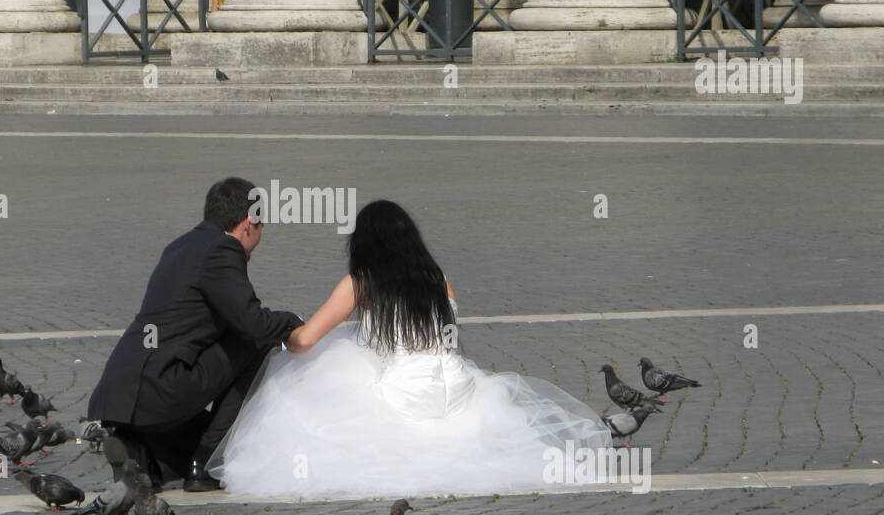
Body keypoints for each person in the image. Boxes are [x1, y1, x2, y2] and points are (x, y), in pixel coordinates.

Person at [208, 200, 612, 497]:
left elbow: (306, 340)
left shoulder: (362, 282)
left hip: (402, 393)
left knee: (312, 366)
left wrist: (281, 335)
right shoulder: (438, 279)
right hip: (457, 389)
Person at [86, 177, 303, 492]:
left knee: (191, 436)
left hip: (120, 391)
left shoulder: (179, 246)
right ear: (248, 224)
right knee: (256, 341)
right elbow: (252, 323)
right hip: (160, 387)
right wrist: (293, 321)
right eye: (261, 228)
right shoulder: (223, 250)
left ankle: (140, 452)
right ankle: (204, 463)